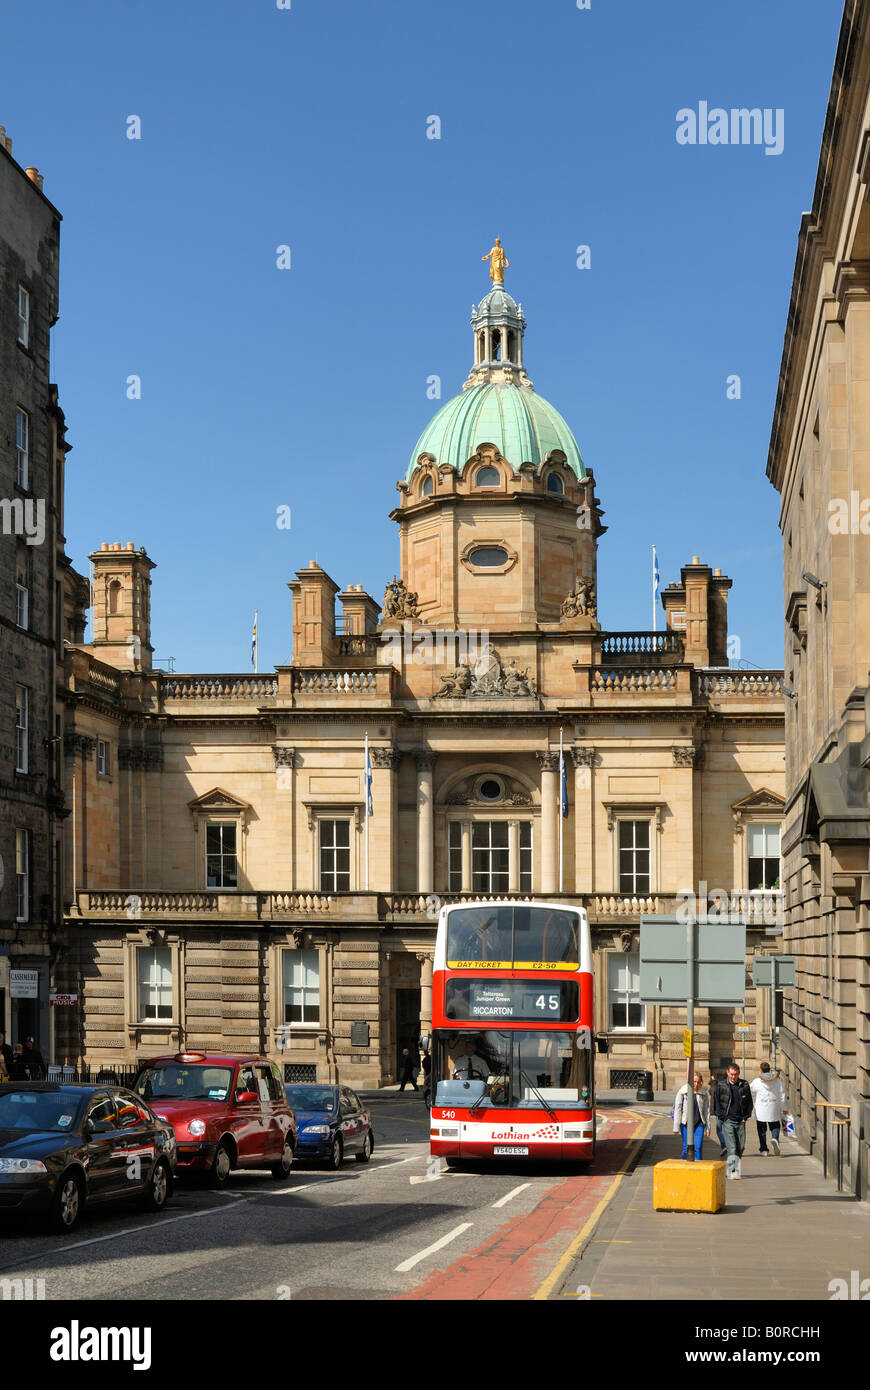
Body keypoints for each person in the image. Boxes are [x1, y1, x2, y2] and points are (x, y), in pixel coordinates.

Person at [712, 1063, 753, 1177]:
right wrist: (722, 1117)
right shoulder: (721, 1085)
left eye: (736, 1074)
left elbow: (749, 1102)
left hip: (741, 1121)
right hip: (728, 1120)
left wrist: (746, 1117)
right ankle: (732, 1171)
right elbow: (716, 1102)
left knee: (741, 1147)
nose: (733, 1077)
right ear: (727, 1073)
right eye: (731, 1074)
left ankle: (734, 1169)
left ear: (739, 1073)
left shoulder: (744, 1084)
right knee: (732, 1147)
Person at [750, 1061, 789, 1155]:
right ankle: (774, 1138)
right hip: (773, 1107)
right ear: (769, 1070)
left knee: (762, 1130)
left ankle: (764, 1150)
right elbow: (782, 1094)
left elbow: (750, 1091)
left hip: (761, 1109)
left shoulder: (757, 1081)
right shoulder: (777, 1081)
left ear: (760, 1070)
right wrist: (784, 1108)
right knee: (775, 1125)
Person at [673, 1072, 710, 1160]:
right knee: (686, 1149)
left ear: (701, 1082)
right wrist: (676, 1127)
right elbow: (677, 1109)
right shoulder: (683, 1091)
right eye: (694, 1082)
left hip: (699, 1124)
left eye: (698, 1082)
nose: (696, 1084)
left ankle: (698, 1166)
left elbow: (707, 1111)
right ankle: (682, 1165)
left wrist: (708, 1128)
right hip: (685, 1124)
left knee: (698, 1148)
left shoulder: (704, 1093)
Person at [709, 1072, 726, 1156]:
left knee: (720, 1130)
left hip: (720, 1112)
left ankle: (725, 1146)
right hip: (723, 1111)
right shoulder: (725, 1084)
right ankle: (727, 1146)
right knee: (724, 1130)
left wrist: (713, 1081)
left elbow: (711, 1091)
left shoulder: (716, 1086)